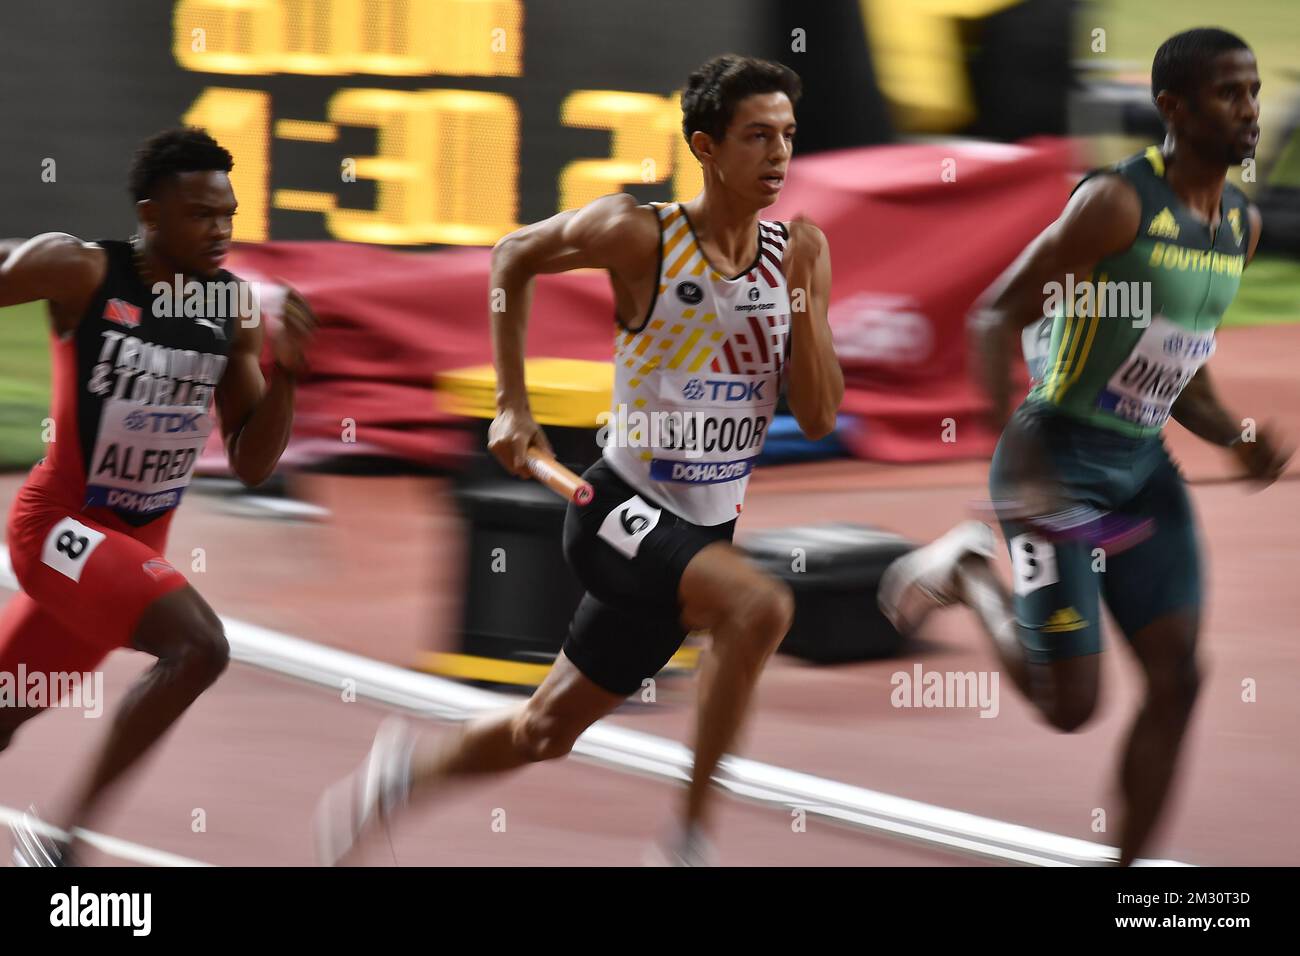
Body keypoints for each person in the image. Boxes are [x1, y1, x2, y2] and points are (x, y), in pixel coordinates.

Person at [315, 53, 844, 866]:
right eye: (755, 137)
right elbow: (510, 258)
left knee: (545, 730)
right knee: (761, 608)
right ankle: (687, 844)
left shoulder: (797, 254)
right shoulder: (638, 235)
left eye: (787, 137)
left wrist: (802, 297)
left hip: (704, 539)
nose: (777, 156)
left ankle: (399, 776)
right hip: (617, 514)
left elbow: (816, 414)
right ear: (705, 147)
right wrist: (511, 402)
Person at [879, 28, 1290, 866]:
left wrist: (1239, 438)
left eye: (1254, 91)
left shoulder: (1237, 226)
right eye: (1228, 93)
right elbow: (995, 314)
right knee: (1069, 704)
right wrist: (1018, 467)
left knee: (1180, 679)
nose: (1250, 111)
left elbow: (1184, 377)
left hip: (1141, 470)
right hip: (1054, 460)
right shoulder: (1116, 203)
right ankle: (965, 570)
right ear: (1173, 108)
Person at [0, 127, 316, 865]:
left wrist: (289, 374)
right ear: (150, 213)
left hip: (133, 554)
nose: (220, 232)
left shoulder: (232, 308)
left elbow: (251, 464)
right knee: (200, 647)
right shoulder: (79, 270)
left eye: (229, 214)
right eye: (201, 214)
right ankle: (61, 839)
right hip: (60, 529)